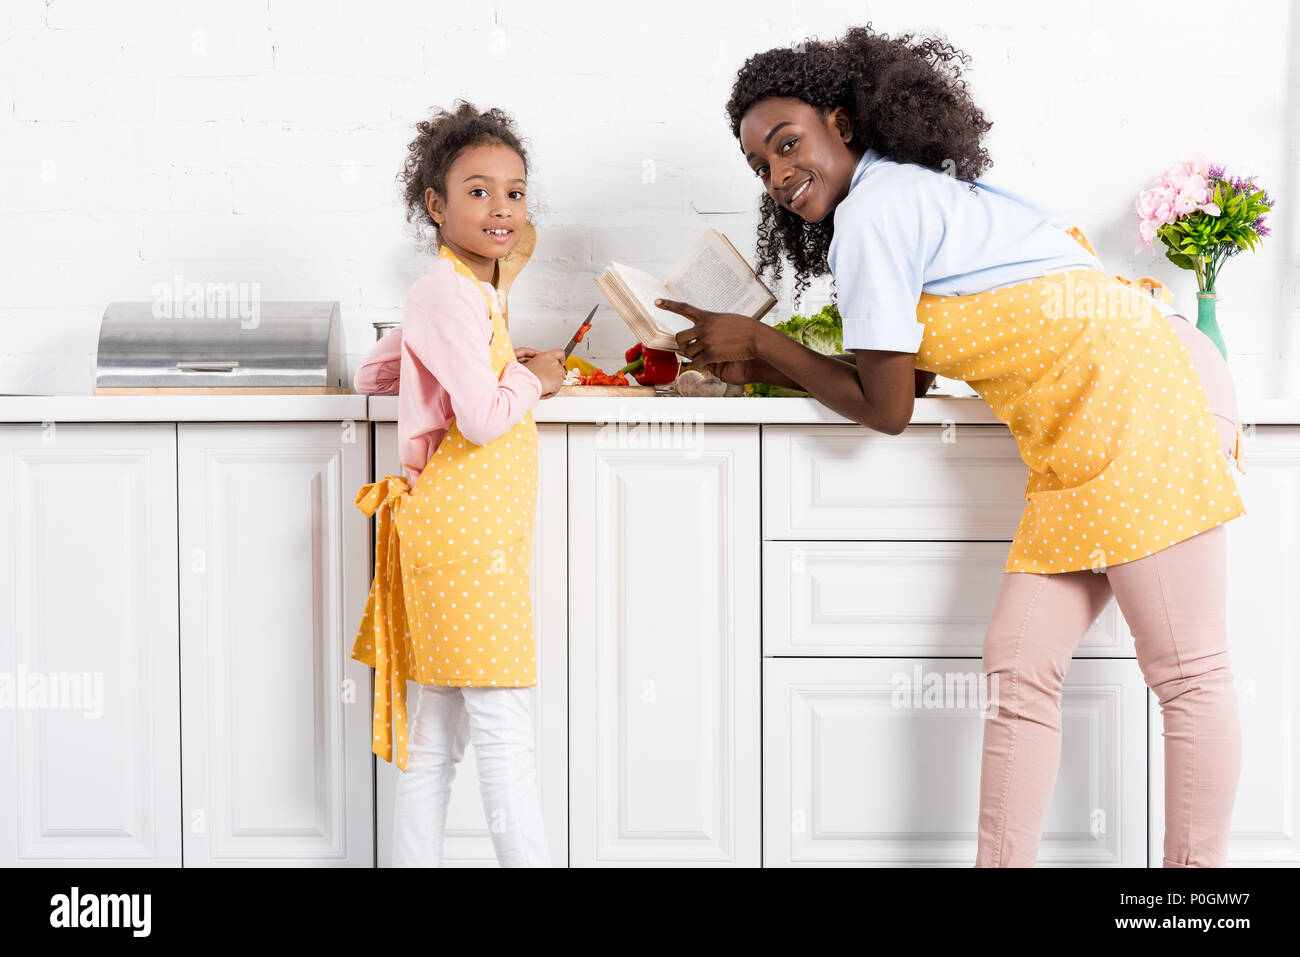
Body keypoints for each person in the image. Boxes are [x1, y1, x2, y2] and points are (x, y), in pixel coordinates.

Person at [658, 25, 1247, 867]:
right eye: (760, 166)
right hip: (1086, 425)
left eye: (788, 144)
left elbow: (886, 408)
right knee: (1019, 662)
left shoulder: (876, 210)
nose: (780, 175)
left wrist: (761, 346)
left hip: (1139, 401)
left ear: (842, 123)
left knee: (1188, 675)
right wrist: (760, 357)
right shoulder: (900, 196)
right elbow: (905, 379)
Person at [351, 100, 565, 867]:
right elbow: (479, 419)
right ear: (435, 206)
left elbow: (374, 371)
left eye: (514, 190)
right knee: (504, 730)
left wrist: (487, 357)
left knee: (435, 735)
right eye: (477, 191)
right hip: (467, 546)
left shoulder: (460, 294)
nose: (501, 206)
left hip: (459, 543)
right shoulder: (448, 292)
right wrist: (536, 378)